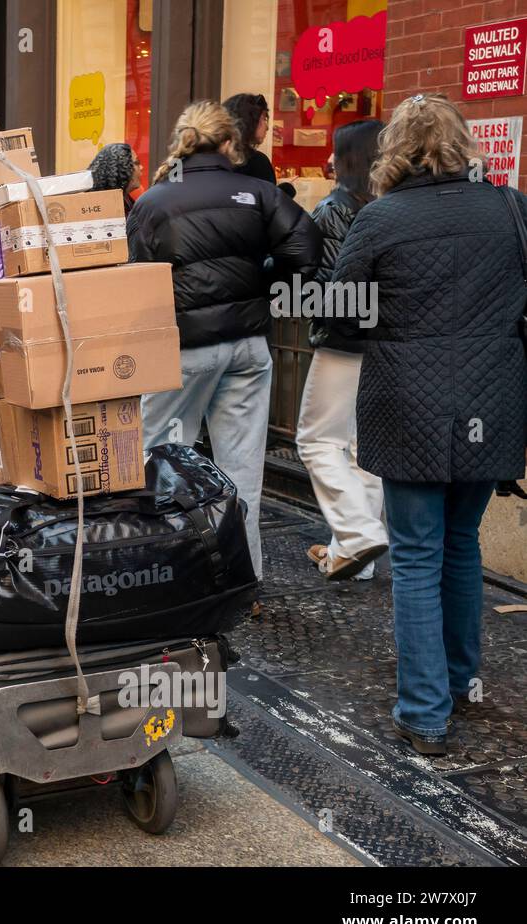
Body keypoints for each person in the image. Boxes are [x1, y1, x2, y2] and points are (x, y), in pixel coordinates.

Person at [328, 93, 527, 756]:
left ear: (397, 150)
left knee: (416, 553)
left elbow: (336, 317)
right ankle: (458, 680)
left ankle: (424, 712)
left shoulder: (381, 219)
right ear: (461, 144)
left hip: (406, 406)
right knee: (461, 543)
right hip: (491, 404)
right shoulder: (509, 207)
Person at [128, 100, 320, 585]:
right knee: (242, 468)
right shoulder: (258, 193)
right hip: (247, 346)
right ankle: (243, 578)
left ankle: (167, 574)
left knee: (161, 459)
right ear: (231, 143)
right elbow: (307, 250)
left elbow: (137, 279)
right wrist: (263, 279)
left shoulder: (154, 201)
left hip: (183, 349)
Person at [296, 119, 388, 582]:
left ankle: (355, 533)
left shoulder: (331, 209)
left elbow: (316, 283)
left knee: (316, 440)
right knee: (364, 448)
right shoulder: (395, 206)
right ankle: (351, 553)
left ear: (347, 157)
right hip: (390, 345)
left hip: (343, 343)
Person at [223, 93, 277, 184]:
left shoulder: (213, 157)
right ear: (249, 121)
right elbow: (268, 197)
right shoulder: (258, 162)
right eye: (264, 118)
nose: (267, 127)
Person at [87, 142, 142, 215]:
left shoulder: (127, 201)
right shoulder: (100, 209)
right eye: (137, 163)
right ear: (122, 168)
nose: (141, 167)